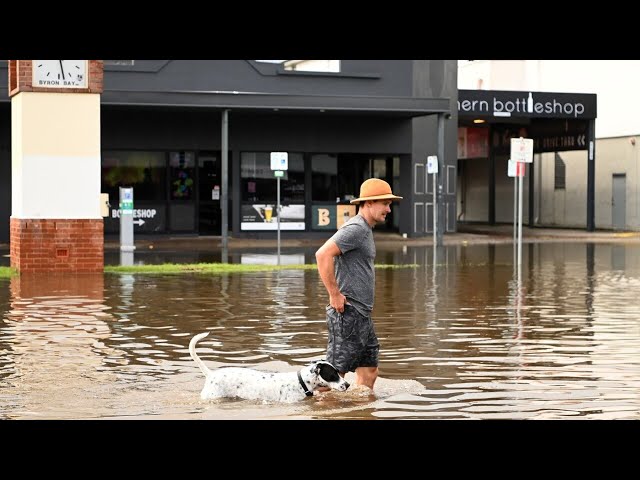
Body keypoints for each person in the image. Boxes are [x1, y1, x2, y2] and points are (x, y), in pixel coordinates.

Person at [315, 178, 402, 391]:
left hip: (362, 315)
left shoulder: (365, 229)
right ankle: (320, 411)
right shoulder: (356, 228)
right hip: (348, 313)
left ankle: (363, 412)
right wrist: (334, 294)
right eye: (385, 204)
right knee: (333, 378)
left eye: (390, 204)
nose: (389, 209)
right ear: (369, 203)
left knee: (369, 371)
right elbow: (322, 254)